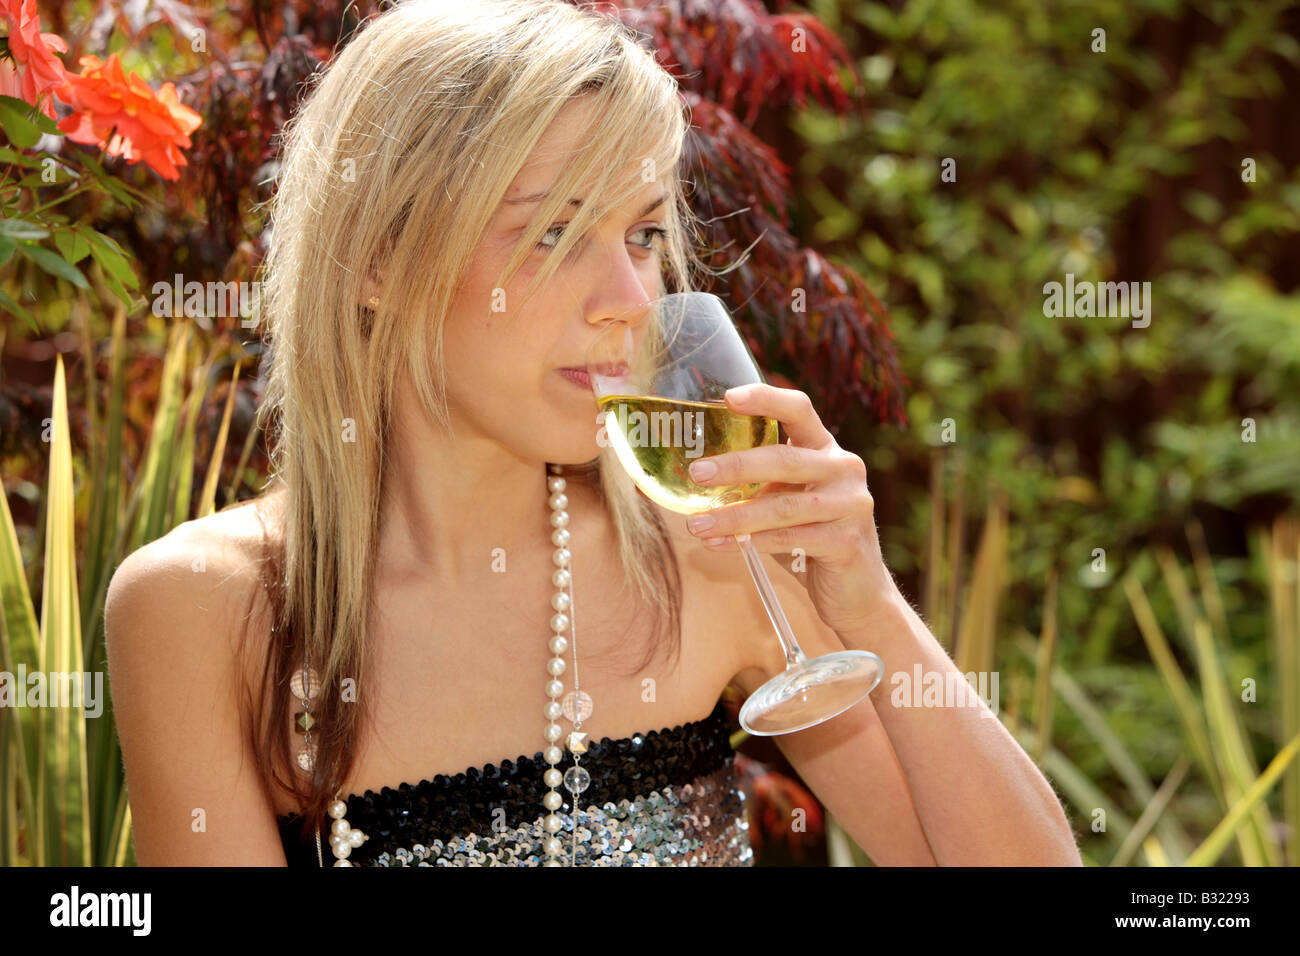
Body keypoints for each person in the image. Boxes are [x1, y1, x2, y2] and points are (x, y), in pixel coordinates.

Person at [104, 0, 1082, 866]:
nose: (629, 300)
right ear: (380, 261)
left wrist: (869, 607)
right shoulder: (206, 609)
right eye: (553, 235)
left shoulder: (709, 550)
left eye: (643, 236)